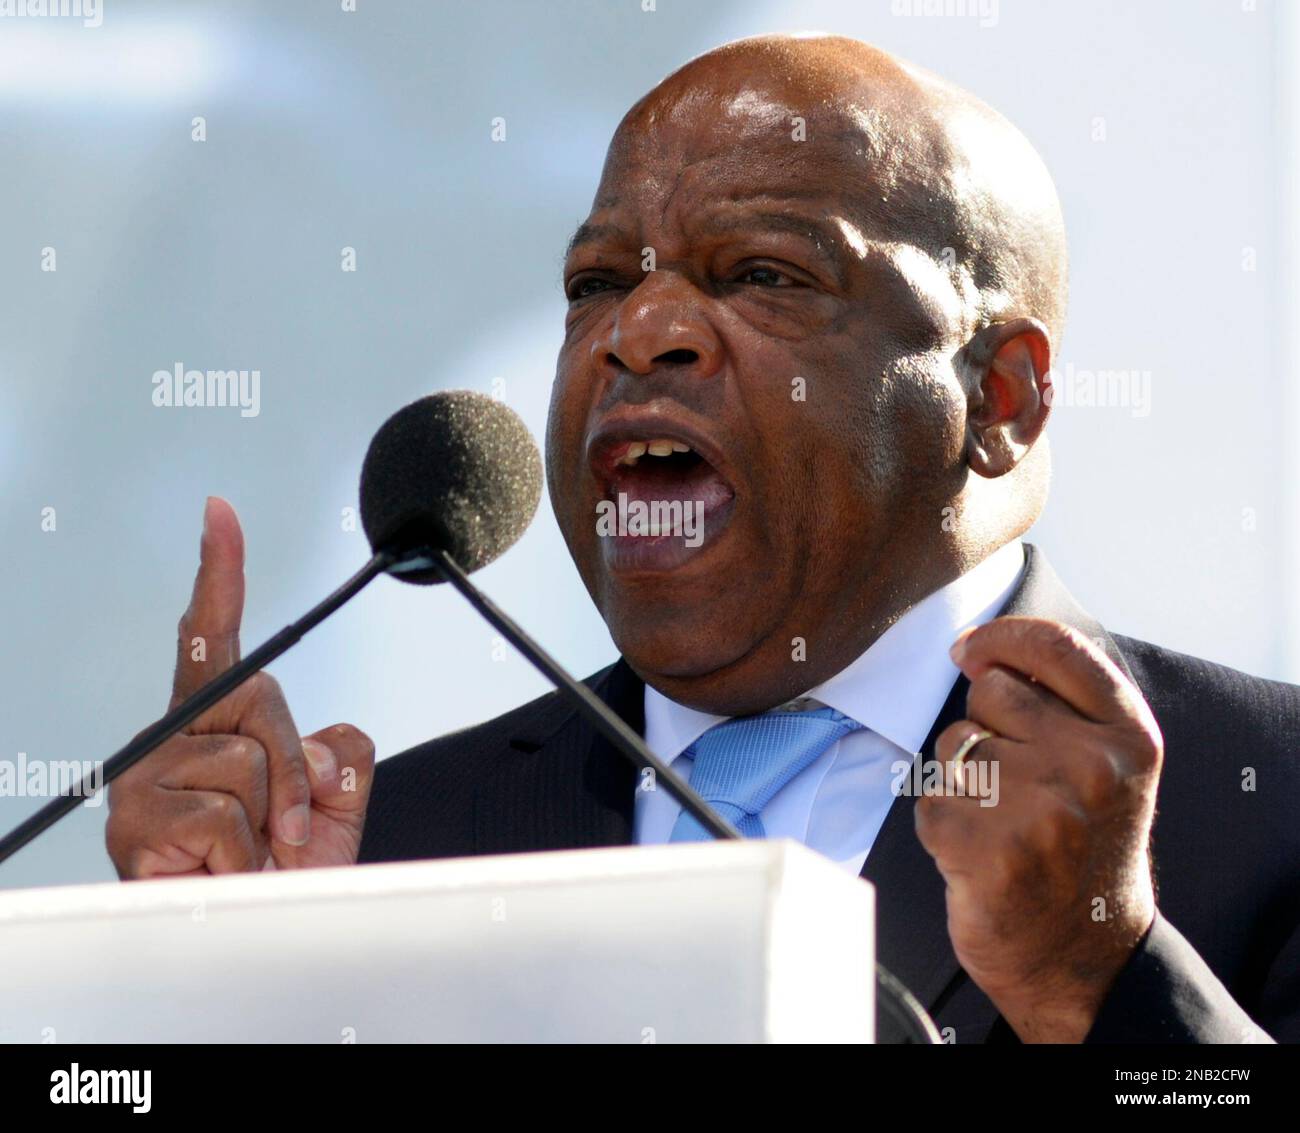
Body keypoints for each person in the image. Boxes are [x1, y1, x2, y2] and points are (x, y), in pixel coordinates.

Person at [105, 34, 1299, 1044]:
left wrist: (1103, 975)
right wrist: (227, 991)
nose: (641, 329)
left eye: (766, 272)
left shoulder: (1263, 796)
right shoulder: (391, 851)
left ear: (1001, 399)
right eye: (595, 283)